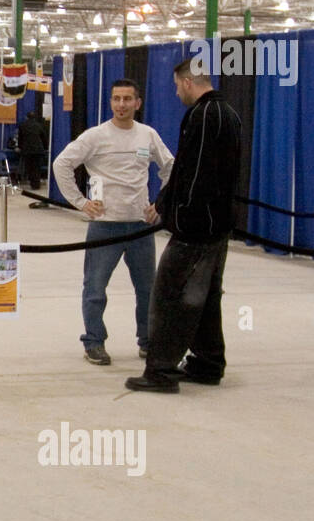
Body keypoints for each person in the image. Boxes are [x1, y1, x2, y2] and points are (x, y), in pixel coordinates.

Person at [126, 58, 242, 393]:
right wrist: (164, 201)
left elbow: (195, 172)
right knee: (204, 297)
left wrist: (181, 215)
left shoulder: (203, 115)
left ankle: (160, 371)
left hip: (198, 227)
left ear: (188, 82)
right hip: (218, 225)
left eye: (177, 86)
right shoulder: (229, 113)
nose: (177, 93)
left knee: (170, 294)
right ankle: (207, 363)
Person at [52, 79, 174, 366]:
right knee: (95, 289)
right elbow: (62, 164)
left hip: (142, 226)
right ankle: (94, 342)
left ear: (137, 103)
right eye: (116, 99)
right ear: (110, 102)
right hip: (104, 226)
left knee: (147, 290)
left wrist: (160, 203)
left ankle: (148, 342)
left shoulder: (148, 135)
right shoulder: (95, 136)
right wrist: (81, 203)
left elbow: (170, 167)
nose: (121, 104)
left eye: (127, 99)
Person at [18, 109, 48, 190]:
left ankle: (32, 183)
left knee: (30, 167)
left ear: (26, 117)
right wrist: (45, 147)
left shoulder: (22, 125)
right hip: (38, 149)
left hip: (27, 150)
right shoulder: (39, 125)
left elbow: (20, 138)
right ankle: (36, 184)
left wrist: (20, 147)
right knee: (37, 168)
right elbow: (44, 138)